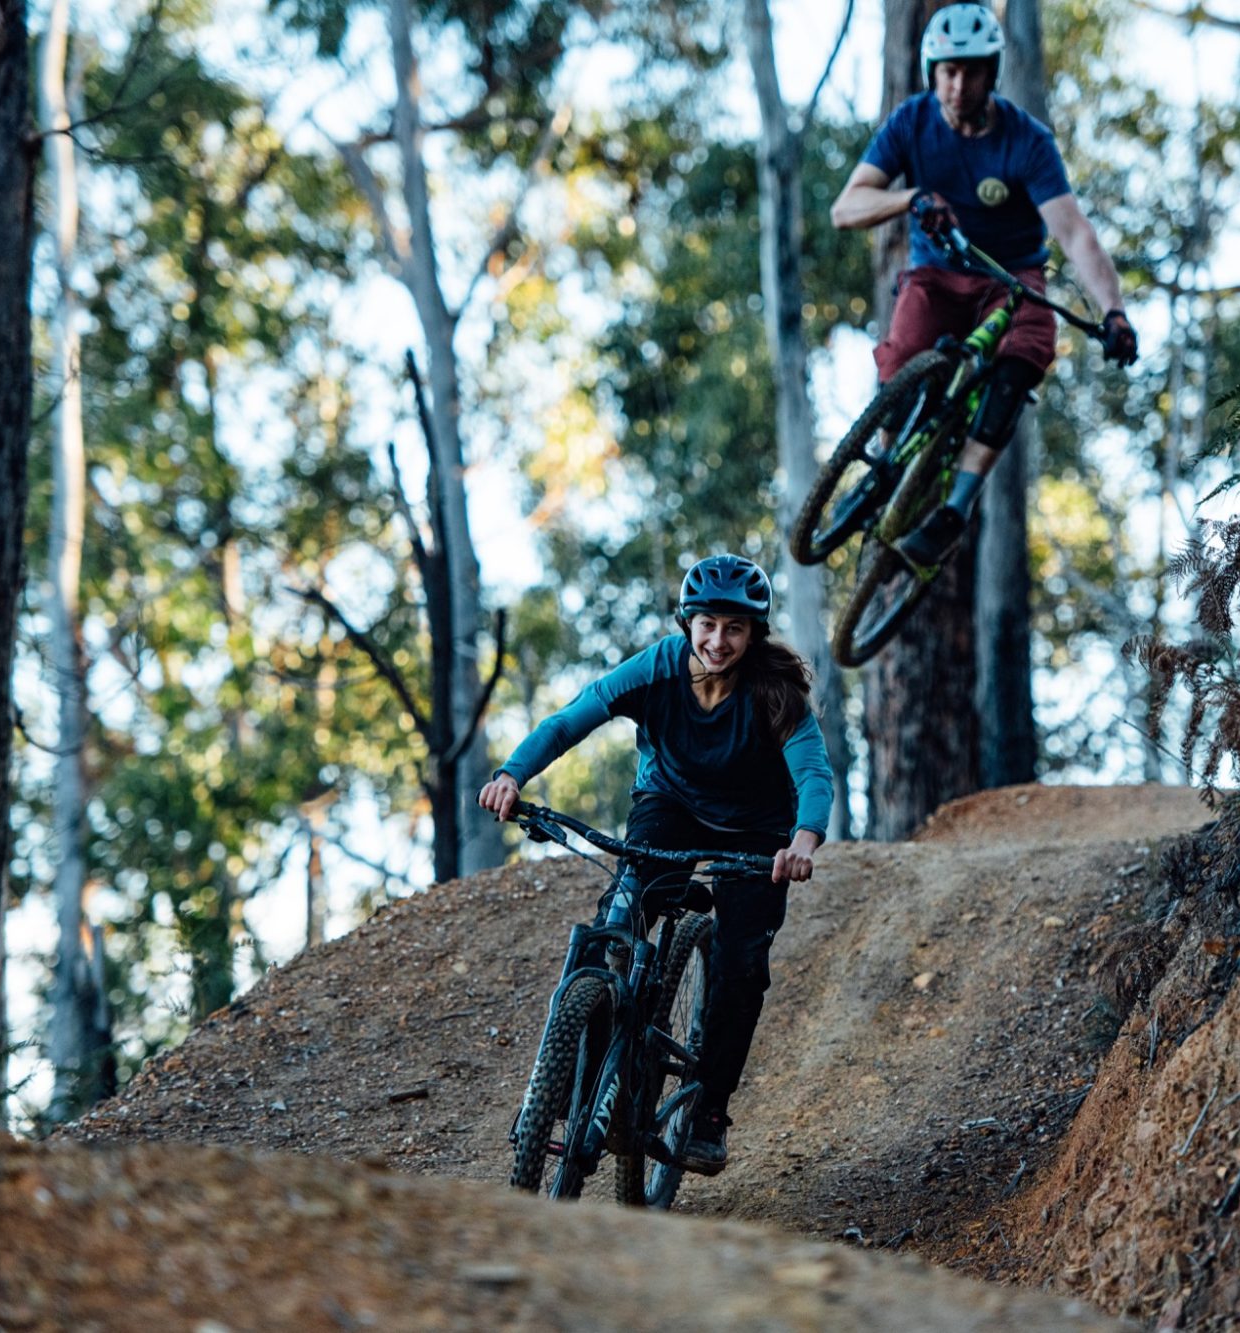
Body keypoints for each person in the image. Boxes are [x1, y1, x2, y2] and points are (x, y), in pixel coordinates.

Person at [477, 554, 833, 1175]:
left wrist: (803, 840)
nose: (718, 640)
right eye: (707, 624)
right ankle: (566, 1079)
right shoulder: (657, 670)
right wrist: (512, 773)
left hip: (758, 829)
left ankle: (710, 1111)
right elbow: (570, 722)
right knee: (621, 915)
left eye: (734, 628)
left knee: (740, 965)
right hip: (670, 802)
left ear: (754, 634)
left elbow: (813, 773)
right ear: (686, 622)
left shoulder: (775, 692)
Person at [831, 1, 1138, 571]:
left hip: (1010, 277)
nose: (958, 84)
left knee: (1027, 351)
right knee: (899, 362)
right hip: (937, 272)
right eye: (948, 70)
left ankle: (954, 509)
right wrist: (910, 197)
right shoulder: (912, 123)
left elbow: (1073, 231)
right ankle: (880, 473)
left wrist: (1113, 310)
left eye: (971, 70)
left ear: (992, 73)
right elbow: (846, 207)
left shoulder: (1027, 141)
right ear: (932, 73)